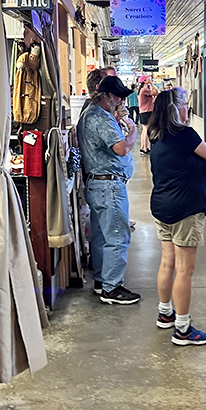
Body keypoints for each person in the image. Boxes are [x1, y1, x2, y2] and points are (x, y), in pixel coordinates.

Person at [148, 87, 206, 345]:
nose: (186, 109)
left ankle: (165, 313)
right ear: (173, 109)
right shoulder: (186, 135)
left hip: (162, 206)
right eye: (182, 104)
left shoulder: (155, 135)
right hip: (185, 209)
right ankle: (182, 329)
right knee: (185, 269)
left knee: (167, 261)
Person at [77, 75, 141, 305]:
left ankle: (102, 280)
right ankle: (112, 288)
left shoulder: (90, 114)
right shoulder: (101, 118)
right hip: (109, 185)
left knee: (103, 235)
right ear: (105, 95)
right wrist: (132, 130)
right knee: (116, 235)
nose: (121, 101)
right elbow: (122, 148)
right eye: (118, 97)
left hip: (98, 184)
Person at [138, 77, 158, 153]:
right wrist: (152, 84)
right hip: (147, 111)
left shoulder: (142, 90)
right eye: (147, 79)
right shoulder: (145, 90)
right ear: (144, 81)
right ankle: (145, 148)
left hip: (143, 111)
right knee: (146, 130)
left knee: (144, 130)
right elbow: (156, 92)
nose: (149, 79)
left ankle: (143, 147)